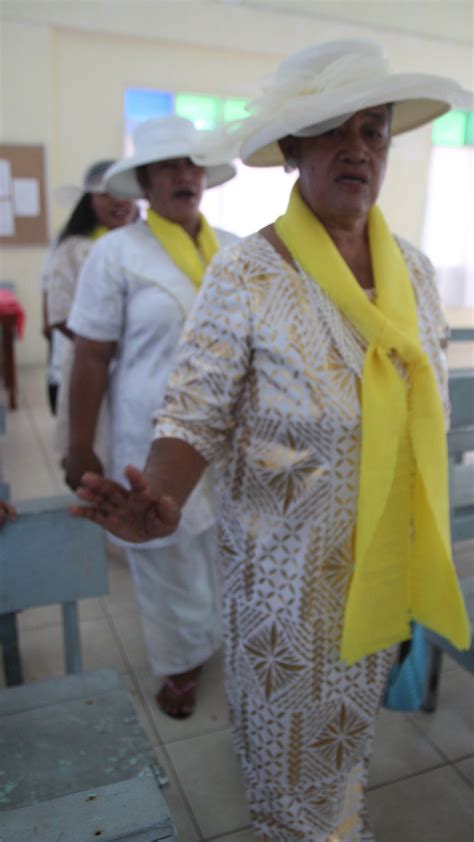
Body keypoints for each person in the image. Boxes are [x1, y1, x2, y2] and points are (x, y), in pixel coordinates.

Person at [70, 41, 472, 840]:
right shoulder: (248, 274)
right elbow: (193, 416)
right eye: (333, 130)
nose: (358, 147)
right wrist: (163, 494)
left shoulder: (417, 273)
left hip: (377, 571)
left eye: (374, 129)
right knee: (292, 788)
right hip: (285, 593)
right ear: (293, 151)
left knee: (346, 756)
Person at [65, 115, 238, 718]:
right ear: (145, 181)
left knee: (217, 542)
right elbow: (90, 357)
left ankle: (215, 636)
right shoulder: (116, 255)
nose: (183, 175)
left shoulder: (237, 252)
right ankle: (178, 662)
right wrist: (79, 445)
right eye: (168, 165)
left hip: (226, 436)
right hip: (149, 429)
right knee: (163, 551)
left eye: (191, 164)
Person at [45, 159, 136, 456]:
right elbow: (59, 316)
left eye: (125, 194)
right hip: (90, 364)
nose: (119, 202)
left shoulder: (144, 246)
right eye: (107, 194)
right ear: (89, 201)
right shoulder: (74, 249)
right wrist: (105, 345)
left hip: (138, 368)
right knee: (97, 446)